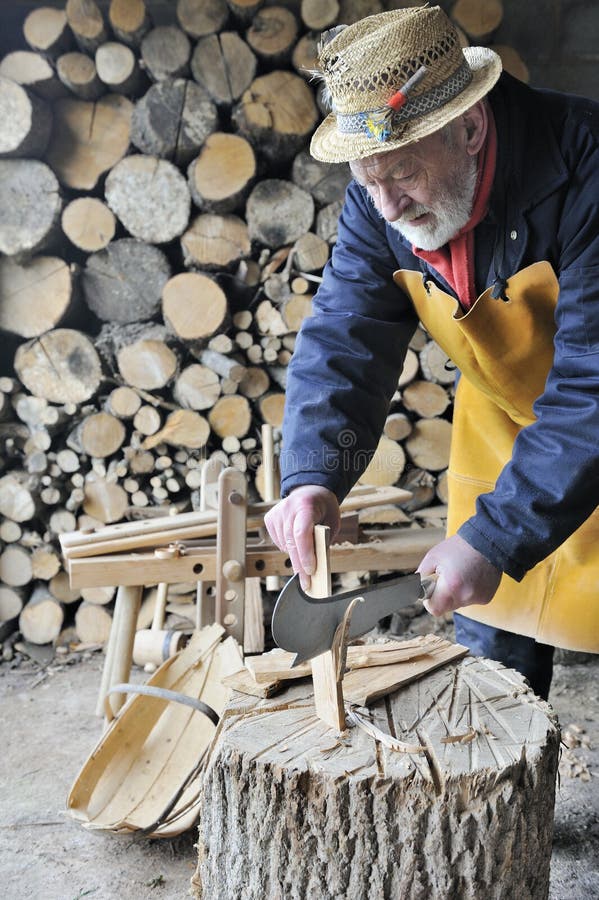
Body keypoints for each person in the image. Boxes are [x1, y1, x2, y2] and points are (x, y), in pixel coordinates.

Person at [264, 5, 599, 701]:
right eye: (368, 182)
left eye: (403, 175)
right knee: (487, 681)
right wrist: (313, 476)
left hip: (586, 409)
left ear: (470, 129)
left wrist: (496, 536)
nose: (387, 207)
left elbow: (592, 384)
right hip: (505, 427)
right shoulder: (380, 192)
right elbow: (347, 333)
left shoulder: (587, 165)